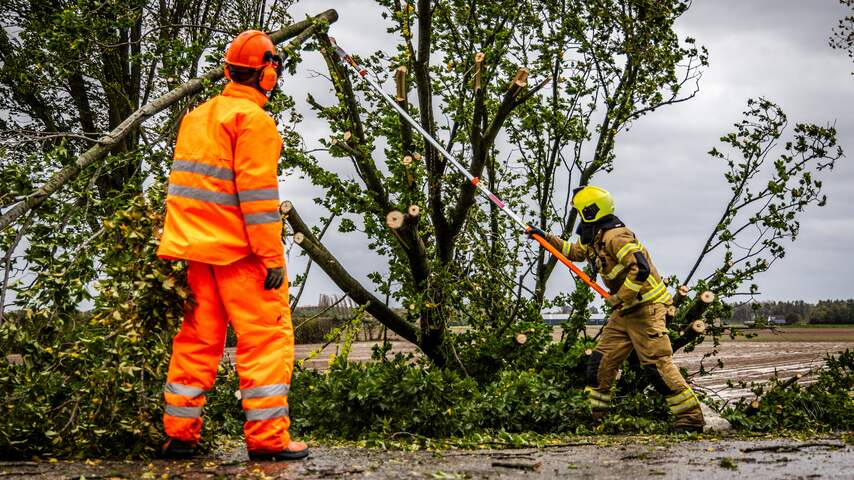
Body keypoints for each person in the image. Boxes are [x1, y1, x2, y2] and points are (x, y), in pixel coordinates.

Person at [156, 30, 308, 460]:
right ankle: (269, 441)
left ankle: (180, 435)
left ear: (227, 71)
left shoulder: (197, 117)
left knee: (196, 343)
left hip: (196, 253)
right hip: (241, 256)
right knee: (264, 341)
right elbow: (258, 200)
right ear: (268, 75)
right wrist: (271, 257)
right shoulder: (253, 121)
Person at [528, 186, 705, 433]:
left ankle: (690, 420)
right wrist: (546, 238)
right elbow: (575, 252)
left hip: (647, 310)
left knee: (657, 367)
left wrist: (621, 296)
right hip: (626, 312)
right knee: (599, 364)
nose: (579, 218)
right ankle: (593, 419)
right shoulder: (596, 237)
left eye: (580, 212)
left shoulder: (616, 237)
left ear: (590, 211)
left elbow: (640, 269)